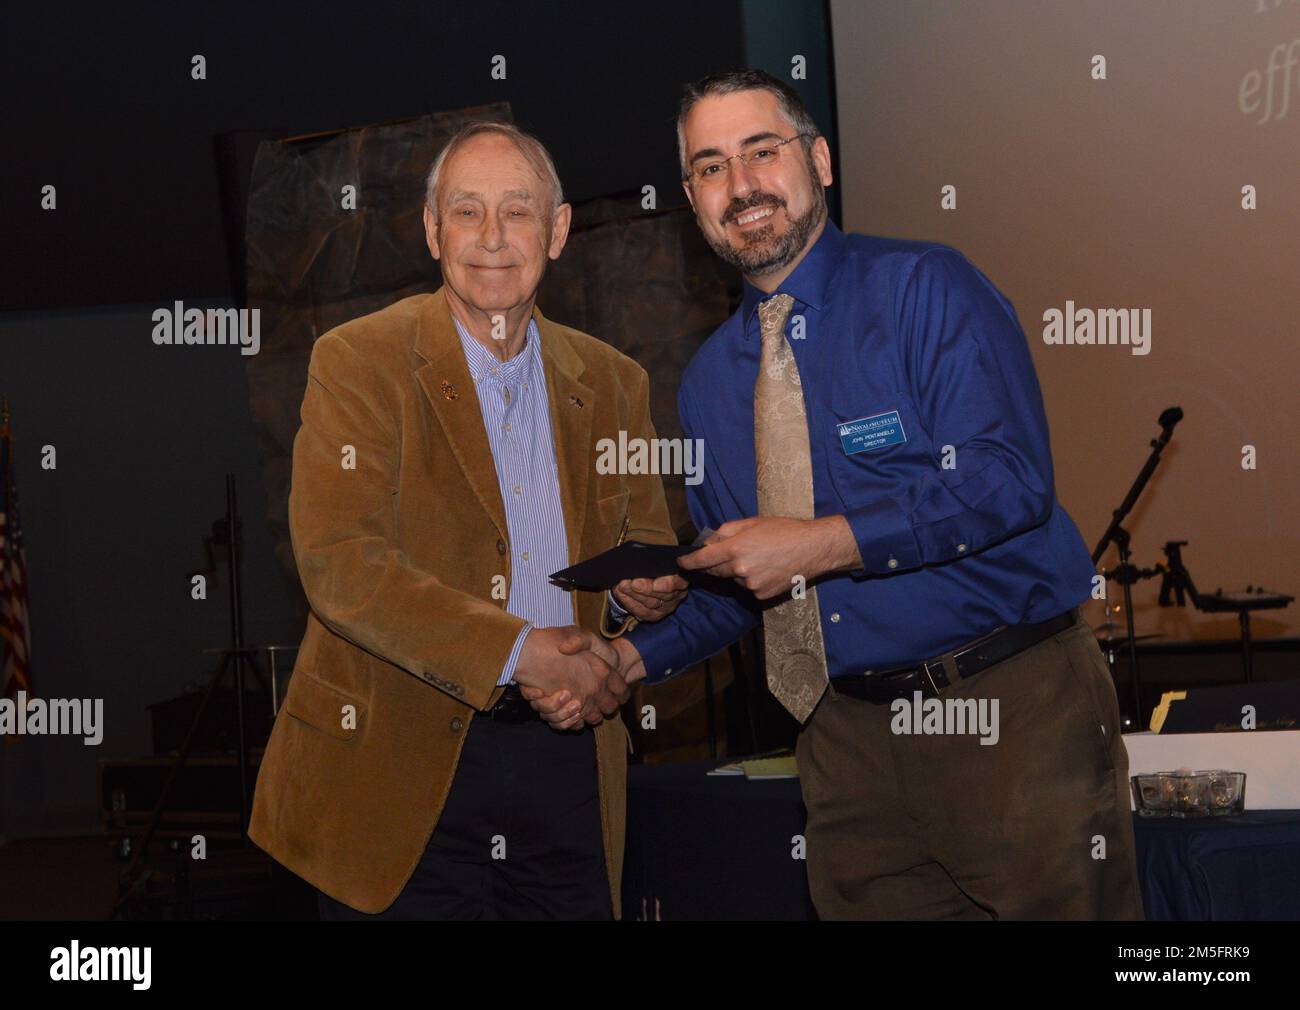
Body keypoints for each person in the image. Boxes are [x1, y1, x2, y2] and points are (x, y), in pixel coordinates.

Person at [535, 70, 1144, 920]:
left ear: (818, 159)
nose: (741, 184)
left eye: (761, 151)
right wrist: (630, 656)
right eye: (711, 167)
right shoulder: (710, 383)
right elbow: (747, 588)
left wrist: (821, 542)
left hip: (1011, 718)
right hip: (842, 749)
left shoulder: (928, 288)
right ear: (691, 200)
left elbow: (1008, 482)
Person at [249, 121, 683, 920]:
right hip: (396, 770)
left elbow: (639, 551)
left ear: (556, 231)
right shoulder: (357, 362)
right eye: (466, 211)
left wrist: (637, 597)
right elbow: (341, 564)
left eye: (517, 212)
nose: (492, 237)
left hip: (569, 768)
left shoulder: (616, 383)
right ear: (430, 229)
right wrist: (520, 653)